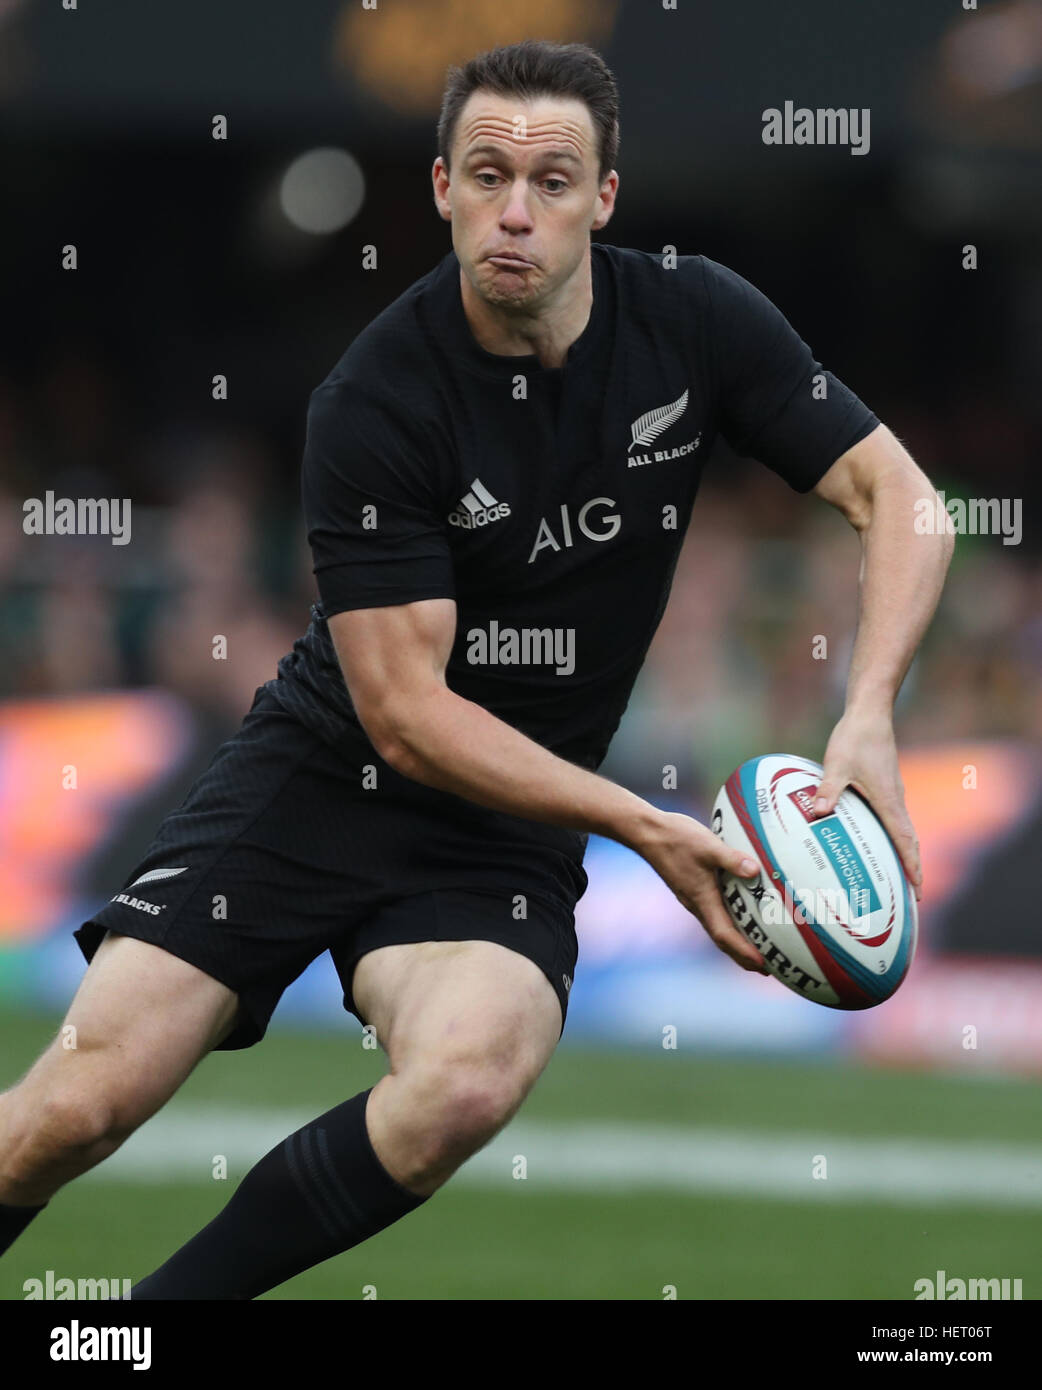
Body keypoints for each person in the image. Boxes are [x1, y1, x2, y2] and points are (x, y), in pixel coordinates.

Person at [0, 38, 950, 1299]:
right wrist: (644, 828)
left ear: (603, 200)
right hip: (319, 779)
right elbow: (404, 718)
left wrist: (867, 711)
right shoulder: (378, 398)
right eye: (488, 174)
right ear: (441, 186)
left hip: (504, 828)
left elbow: (903, 498)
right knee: (78, 1105)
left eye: (553, 180)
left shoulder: (696, 318)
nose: (516, 209)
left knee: (466, 1080)